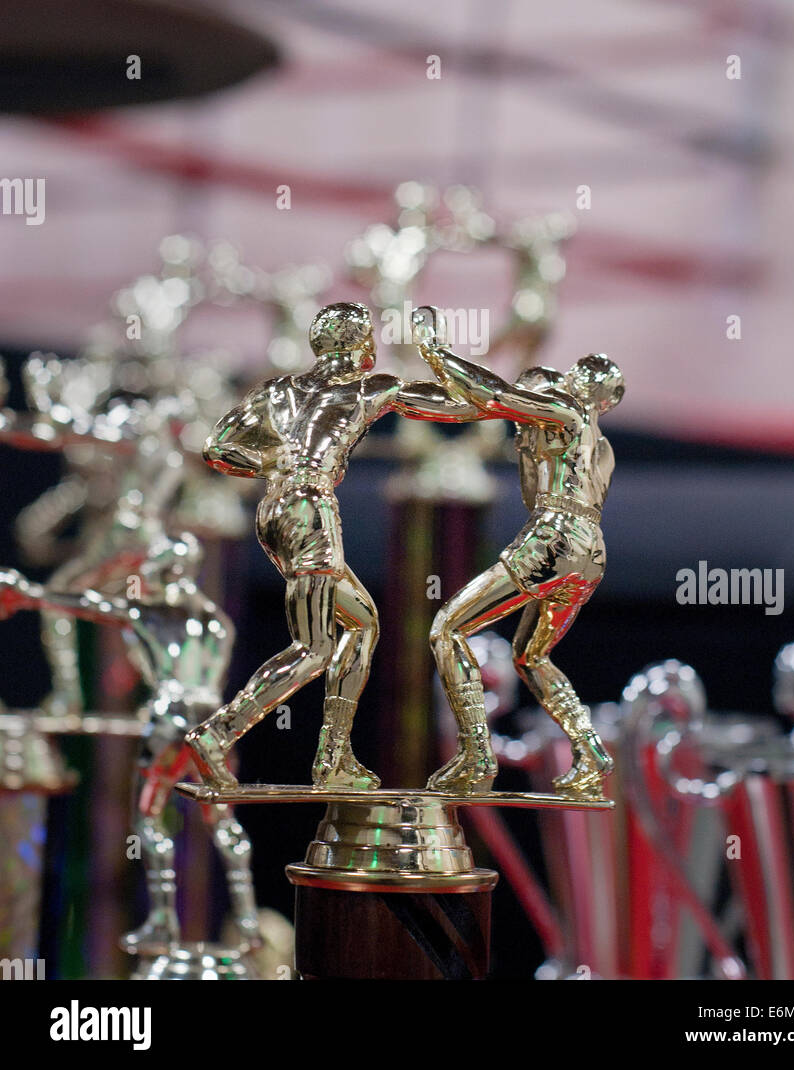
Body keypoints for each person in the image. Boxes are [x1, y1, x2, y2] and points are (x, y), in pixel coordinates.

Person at [186, 301, 482, 792]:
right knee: (313, 647)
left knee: (362, 624)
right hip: (310, 512)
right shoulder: (372, 386)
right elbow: (466, 406)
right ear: (363, 345)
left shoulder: (279, 390)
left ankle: (333, 757)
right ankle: (219, 732)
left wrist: (279, 465)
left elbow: (218, 448)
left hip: (274, 512)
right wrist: (435, 351)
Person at [0, 532, 259, 952]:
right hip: (215, 720)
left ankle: (162, 921)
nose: (146, 572)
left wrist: (28, 594)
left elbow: (89, 606)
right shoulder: (217, 621)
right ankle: (248, 922)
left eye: (154, 564)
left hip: (170, 717)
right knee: (223, 820)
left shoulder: (153, 611)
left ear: (169, 568)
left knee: (150, 817)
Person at [412, 304, 623, 800]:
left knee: (448, 628)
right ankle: (590, 752)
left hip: (554, 538)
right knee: (531, 656)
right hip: (590, 553)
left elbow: (494, 396)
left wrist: (435, 353)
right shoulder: (601, 445)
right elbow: (497, 410)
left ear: (583, 387)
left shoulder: (567, 414)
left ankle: (475, 755)